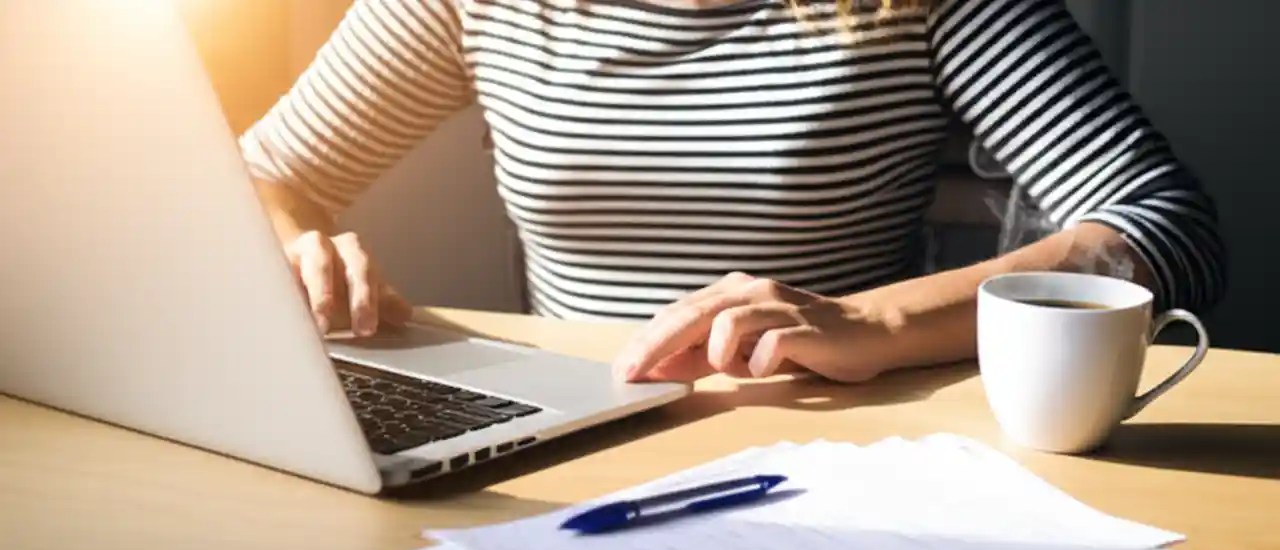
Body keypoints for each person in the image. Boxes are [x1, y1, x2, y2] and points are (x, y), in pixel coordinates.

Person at [240, 0, 1225, 385]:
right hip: (559, 433)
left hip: (842, 440)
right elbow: (264, 173)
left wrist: (870, 320)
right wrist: (284, 249)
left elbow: (1161, 231)